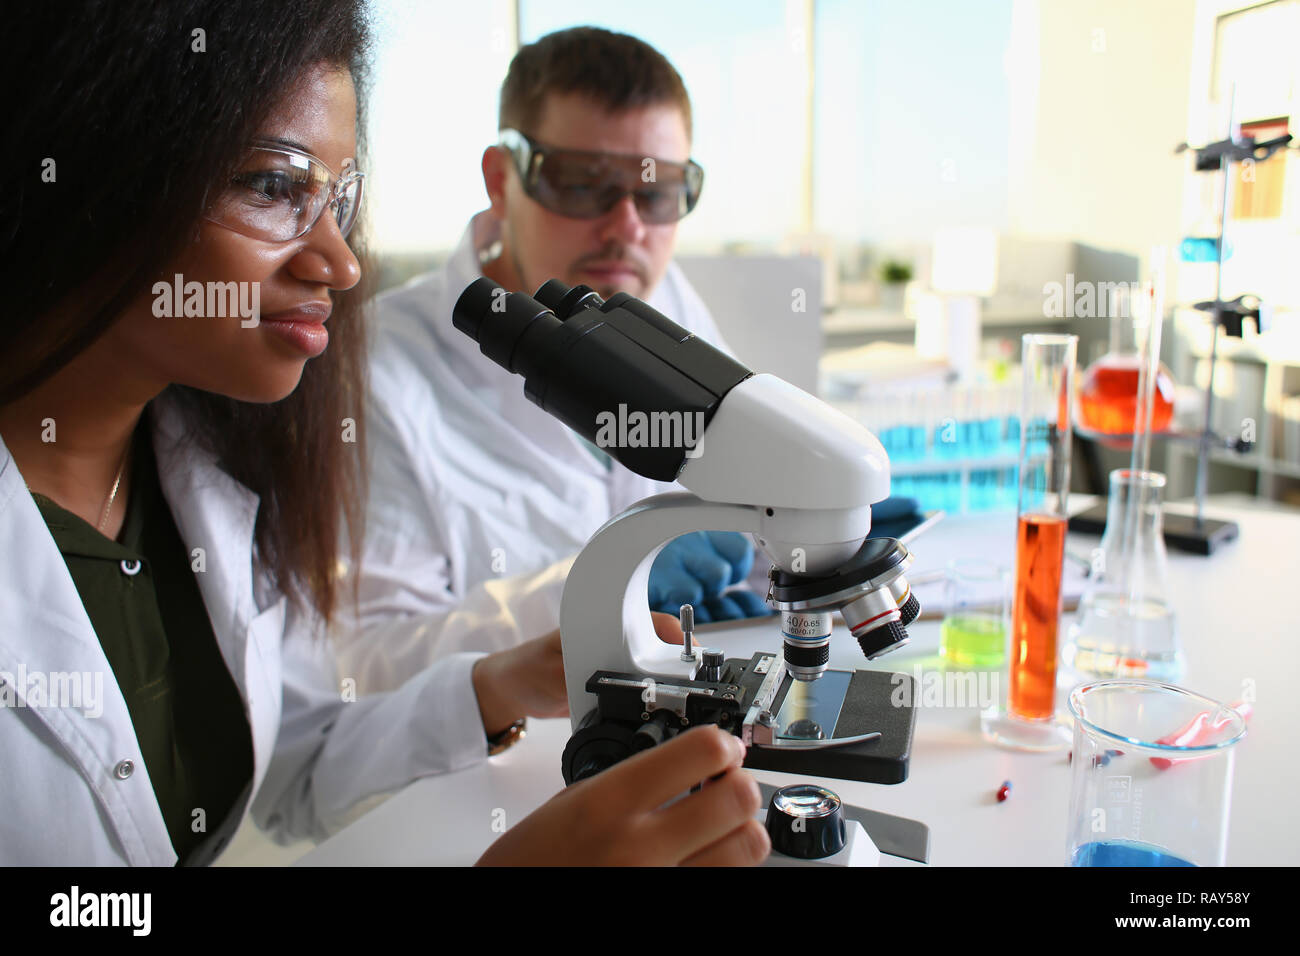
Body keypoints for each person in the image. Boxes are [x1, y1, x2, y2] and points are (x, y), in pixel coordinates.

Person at [0, 0, 768, 867]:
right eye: (273, 185)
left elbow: (290, 778)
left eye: (339, 198)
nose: (340, 262)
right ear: (94, 166)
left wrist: (492, 687)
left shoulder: (199, 468)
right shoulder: (358, 392)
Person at [341, 27, 768, 695]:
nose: (627, 226)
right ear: (500, 180)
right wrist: (596, 591)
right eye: (582, 183)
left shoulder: (667, 298)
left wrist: (786, 549)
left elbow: (736, 498)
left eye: (658, 193)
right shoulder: (373, 372)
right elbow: (360, 665)